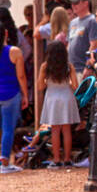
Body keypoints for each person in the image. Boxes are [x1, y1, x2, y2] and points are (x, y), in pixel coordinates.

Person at [0, 19, 29, 173]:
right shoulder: (14, 51)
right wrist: (25, 95)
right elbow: (21, 76)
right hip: (10, 92)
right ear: (6, 33)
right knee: (8, 128)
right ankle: (5, 162)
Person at [37, 40, 78, 168]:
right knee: (66, 130)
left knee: (55, 130)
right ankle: (67, 158)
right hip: (66, 97)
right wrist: (67, 85)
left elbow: (40, 86)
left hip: (52, 98)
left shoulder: (45, 66)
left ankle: (56, 159)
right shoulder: (69, 66)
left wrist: (49, 82)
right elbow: (76, 85)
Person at [66, 0, 97, 76]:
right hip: (72, 70)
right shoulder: (72, 22)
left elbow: (94, 45)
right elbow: (69, 45)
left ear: (86, 3)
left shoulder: (92, 20)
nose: (73, 5)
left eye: (76, 2)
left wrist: (88, 67)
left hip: (83, 69)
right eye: (72, 3)